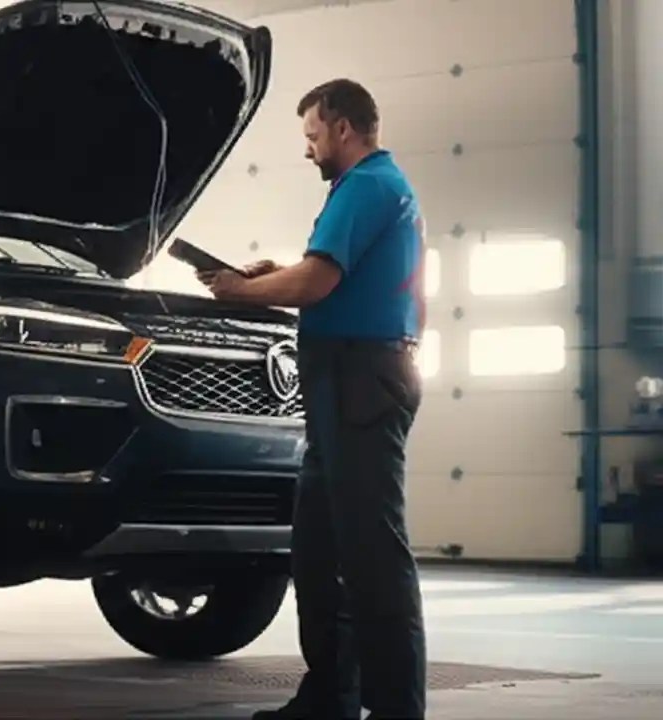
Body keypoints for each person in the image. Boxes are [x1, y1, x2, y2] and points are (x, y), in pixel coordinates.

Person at [198, 78, 427, 719]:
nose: (308, 149)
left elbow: (318, 283)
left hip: (361, 381)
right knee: (320, 551)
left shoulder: (367, 185)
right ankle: (330, 697)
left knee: (373, 555)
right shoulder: (372, 188)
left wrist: (239, 291)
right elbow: (327, 274)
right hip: (344, 383)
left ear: (342, 128)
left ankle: (397, 709)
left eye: (312, 134)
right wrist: (274, 274)